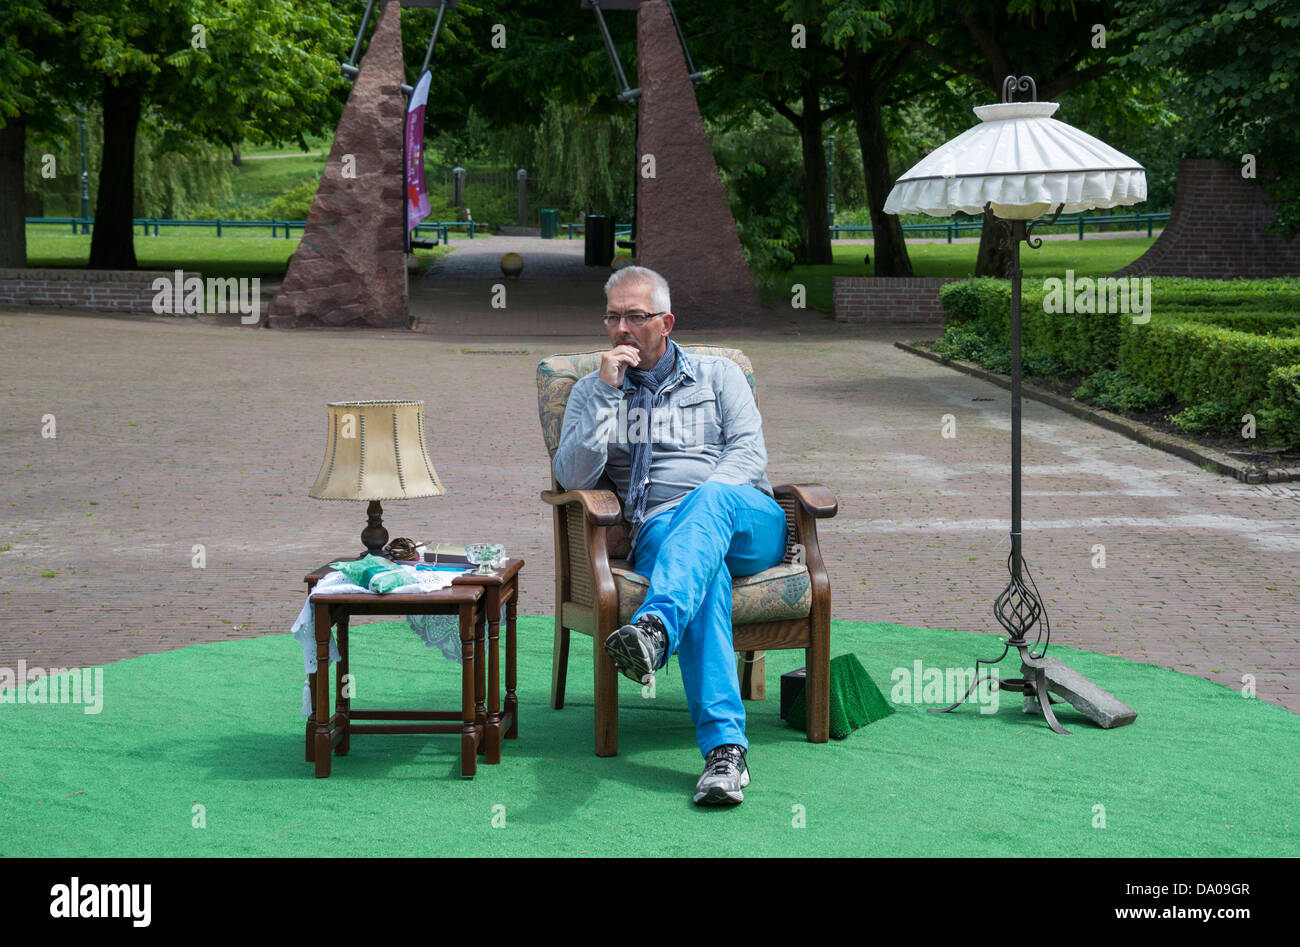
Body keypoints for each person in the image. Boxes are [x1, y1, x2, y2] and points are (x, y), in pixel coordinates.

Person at [552, 265, 788, 805]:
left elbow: (749, 455)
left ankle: (655, 626)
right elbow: (574, 478)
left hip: (745, 517)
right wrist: (608, 398)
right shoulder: (592, 391)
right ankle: (726, 754)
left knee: (708, 502)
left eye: (636, 316)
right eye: (613, 317)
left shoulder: (717, 375)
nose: (621, 329)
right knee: (703, 586)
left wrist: (704, 508)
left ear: (666, 322)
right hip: (659, 530)